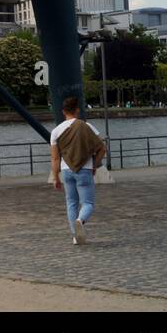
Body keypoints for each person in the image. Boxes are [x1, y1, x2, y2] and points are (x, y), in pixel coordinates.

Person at [49, 96, 107, 245]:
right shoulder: (87, 126)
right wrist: (94, 164)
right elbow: (102, 148)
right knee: (88, 203)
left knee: (71, 203)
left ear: (63, 112)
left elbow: (55, 159)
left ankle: (76, 237)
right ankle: (80, 221)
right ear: (77, 110)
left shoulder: (55, 132)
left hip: (66, 170)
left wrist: (56, 177)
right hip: (85, 169)